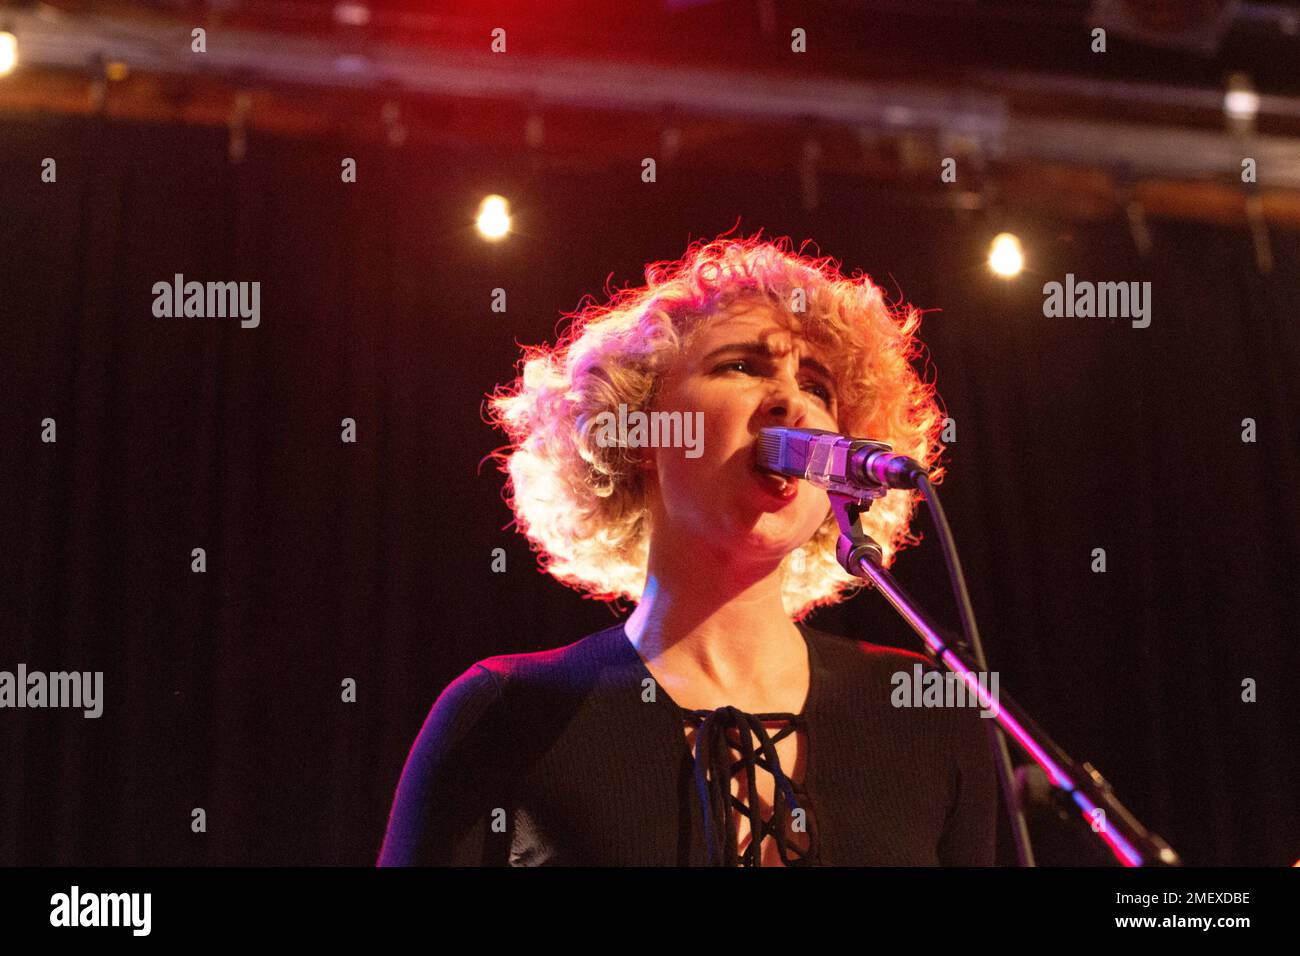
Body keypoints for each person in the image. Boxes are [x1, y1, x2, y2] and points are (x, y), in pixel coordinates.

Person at [378, 233, 997, 866]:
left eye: (818, 387)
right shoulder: (510, 712)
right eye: (741, 366)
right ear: (639, 432)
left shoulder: (924, 712)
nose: (791, 402)